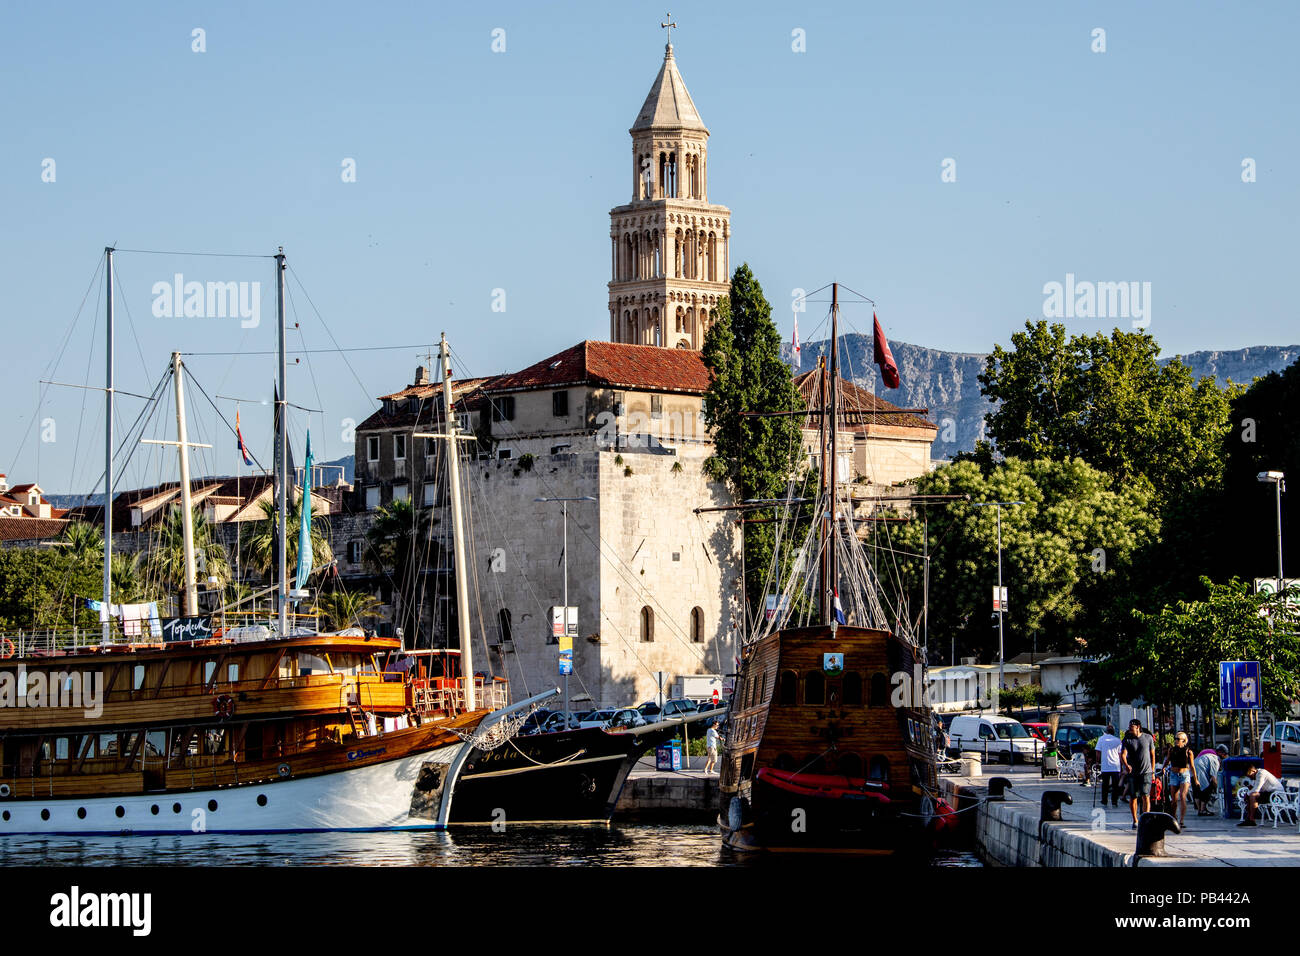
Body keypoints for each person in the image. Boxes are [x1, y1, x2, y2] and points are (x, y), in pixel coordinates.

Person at [1120, 718, 1156, 830]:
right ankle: (1135, 820)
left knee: (1146, 795)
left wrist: (1153, 770)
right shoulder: (1127, 739)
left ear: (1138, 727)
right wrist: (1126, 765)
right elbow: (1123, 754)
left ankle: (1145, 819)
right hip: (1133, 773)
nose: (1130, 728)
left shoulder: (1148, 738)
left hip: (1146, 772)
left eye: (1132, 726)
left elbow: (1153, 755)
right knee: (1133, 796)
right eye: (1129, 726)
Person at [1162, 732, 1195, 826]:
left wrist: (1195, 779)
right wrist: (1163, 768)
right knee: (1174, 799)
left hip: (1184, 774)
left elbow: (1192, 766)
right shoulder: (1171, 750)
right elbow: (1167, 760)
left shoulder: (1188, 751)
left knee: (1183, 797)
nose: (1176, 740)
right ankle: (1174, 817)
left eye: (1178, 739)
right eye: (1175, 738)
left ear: (1184, 741)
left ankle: (1182, 820)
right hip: (1174, 774)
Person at [1096, 725, 1123, 808]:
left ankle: (1104, 800)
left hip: (1105, 765)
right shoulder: (1118, 740)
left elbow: (1098, 752)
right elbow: (1120, 754)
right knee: (1115, 785)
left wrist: (1097, 762)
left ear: (1106, 731)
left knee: (1105, 784)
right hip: (1115, 766)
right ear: (1113, 731)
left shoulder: (1101, 739)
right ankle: (1114, 801)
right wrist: (1122, 765)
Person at [1192, 747, 1222, 816]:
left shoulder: (1207, 754)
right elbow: (1213, 777)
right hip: (1200, 769)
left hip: (1193, 768)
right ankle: (1203, 810)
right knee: (1206, 788)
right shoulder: (1215, 760)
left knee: (1196, 790)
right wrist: (1218, 788)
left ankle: (1199, 810)